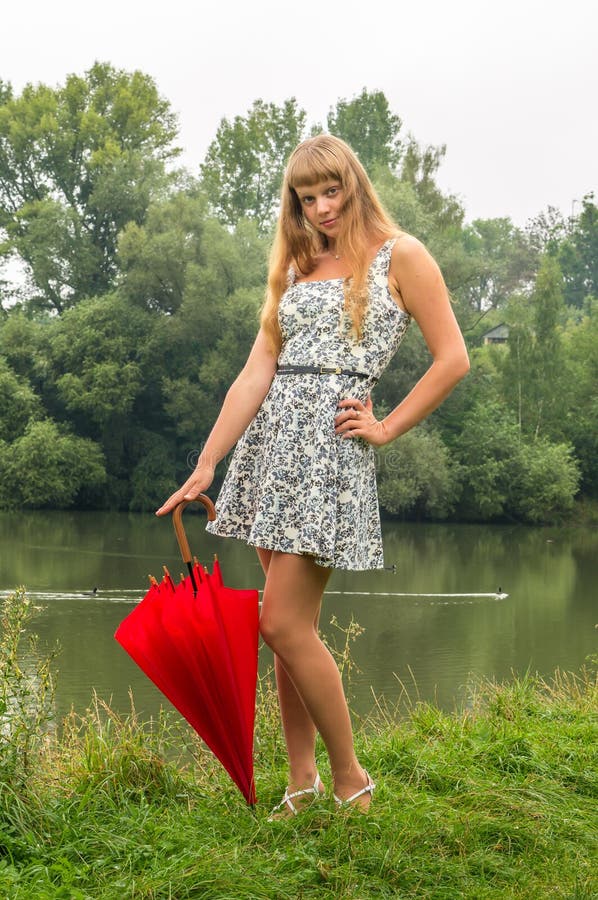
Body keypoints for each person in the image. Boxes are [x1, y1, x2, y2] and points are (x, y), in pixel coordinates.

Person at [156, 134, 469, 816]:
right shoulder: (298, 266)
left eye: (332, 192)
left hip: (328, 453)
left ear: (354, 182)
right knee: (283, 624)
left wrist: (385, 428)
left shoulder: (401, 254)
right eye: (307, 198)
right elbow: (255, 372)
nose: (322, 208)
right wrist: (207, 462)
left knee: (282, 624)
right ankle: (302, 783)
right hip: (272, 446)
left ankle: (351, 778)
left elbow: (453, 359)